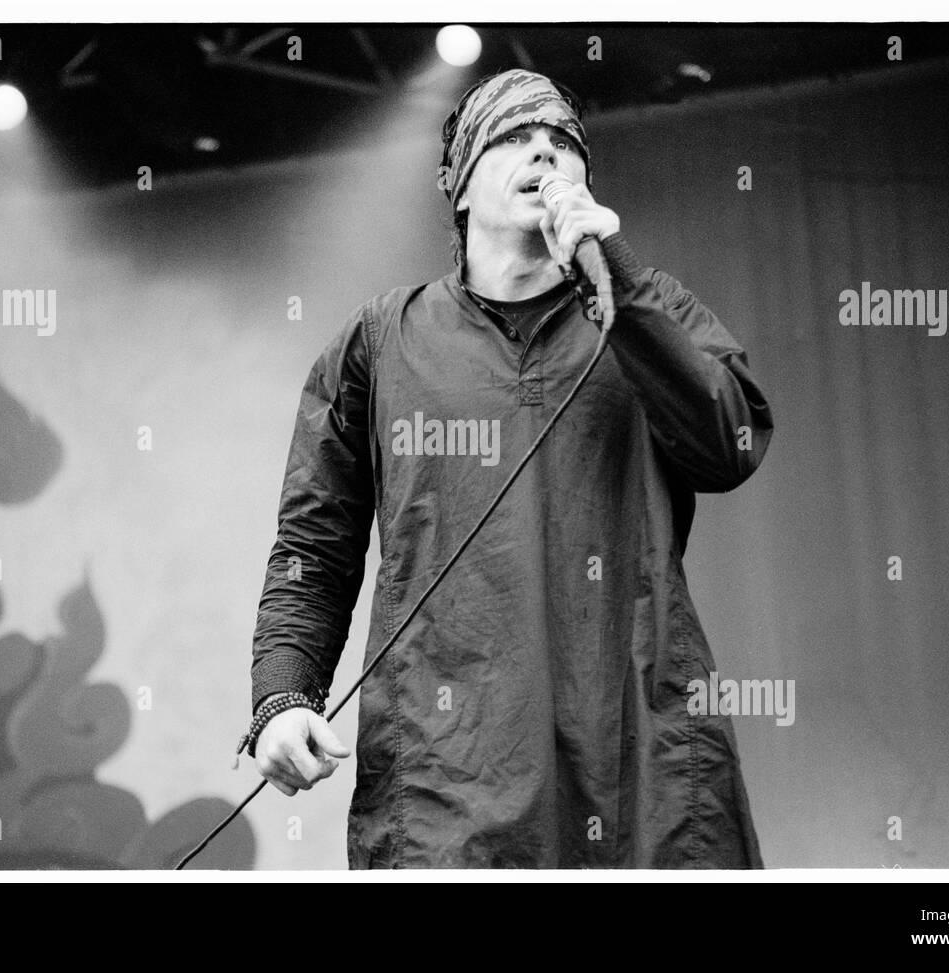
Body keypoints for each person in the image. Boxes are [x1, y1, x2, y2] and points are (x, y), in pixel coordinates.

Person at [239, 68, 774, 868]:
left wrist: (618, 278)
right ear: (459, 188)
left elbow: (728, 443)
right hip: (448, 773)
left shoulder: (648, 306)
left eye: (565, 143)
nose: (546, 153)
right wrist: (283, 694)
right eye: (516, 137)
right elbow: (312, 547)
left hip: (641, 762)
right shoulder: (380, 343)